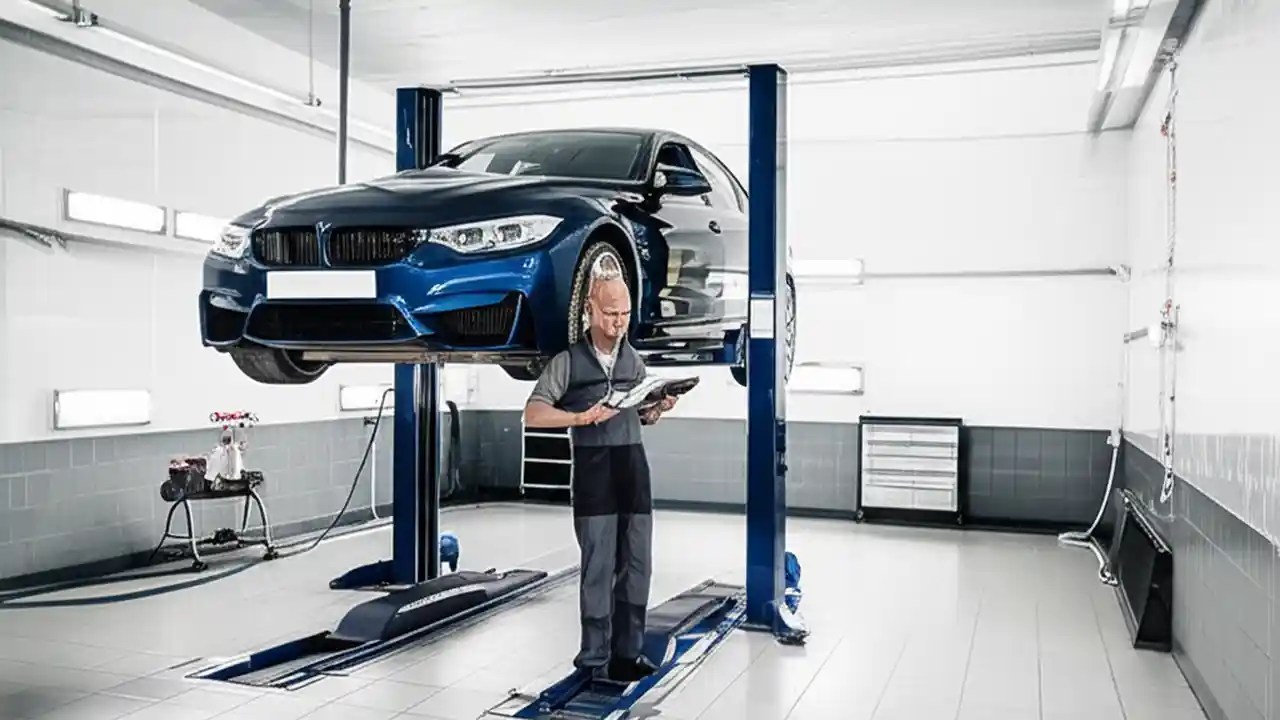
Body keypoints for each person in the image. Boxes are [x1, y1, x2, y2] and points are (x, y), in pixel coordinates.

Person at [523, 260, 678, 683]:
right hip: (593, 472)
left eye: (625, 314)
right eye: (610, 313)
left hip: (633, 469)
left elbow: (643, 417)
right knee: (598, 566)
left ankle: (627, 654)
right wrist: (579, 418)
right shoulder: (568, 363)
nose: (618, 323)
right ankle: (593, 659)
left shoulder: (634, 361)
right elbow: (533, 413)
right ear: (590, 309)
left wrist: (658, 408)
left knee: (637, 563)